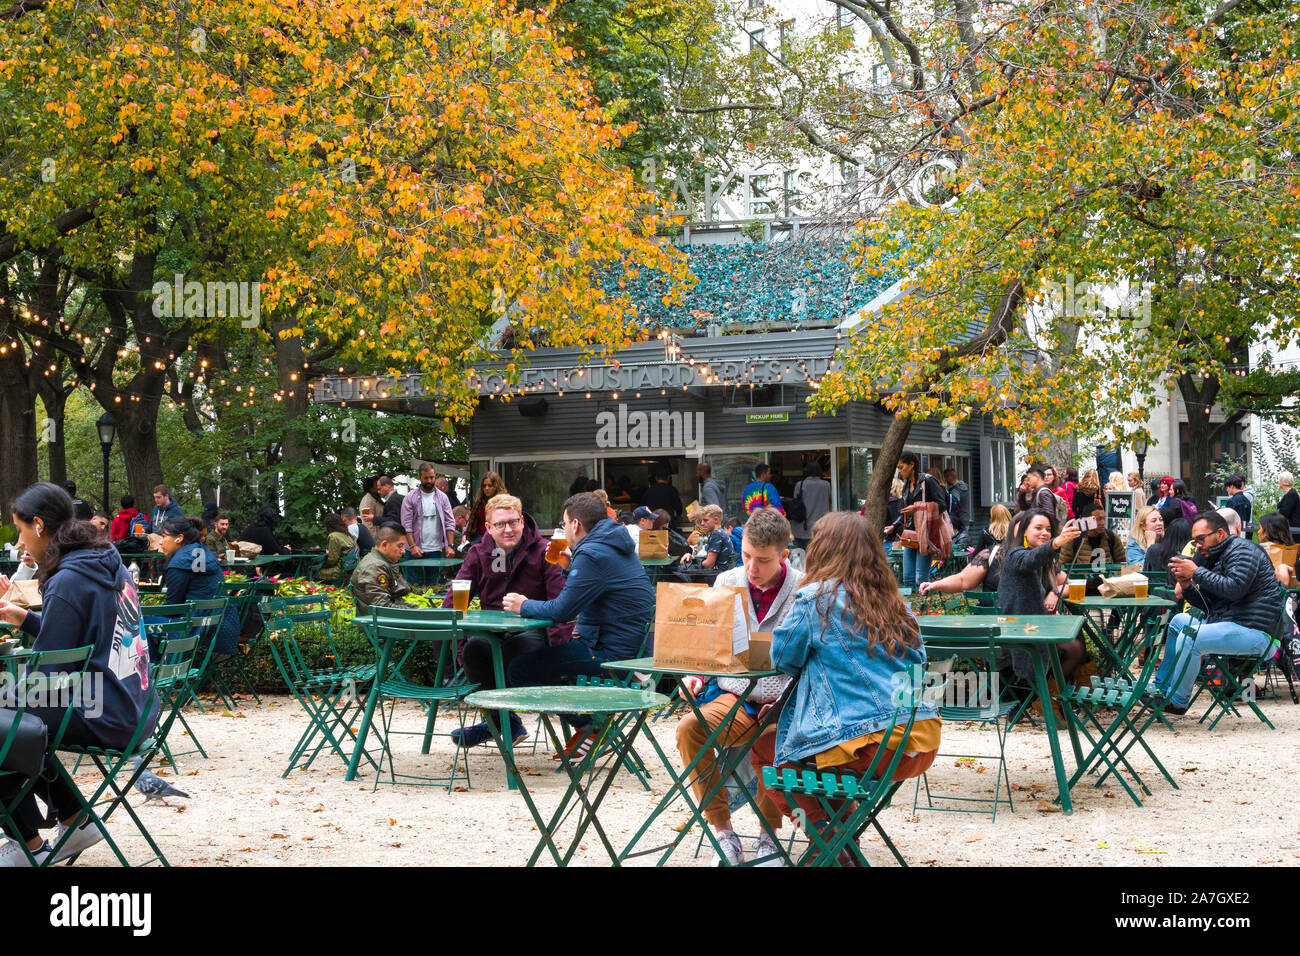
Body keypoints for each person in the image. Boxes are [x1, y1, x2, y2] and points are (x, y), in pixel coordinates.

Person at [761, 512, 941, 862]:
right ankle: (837, 838)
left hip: (873, 747)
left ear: (822, 551)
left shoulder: (817, 599)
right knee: (826, 751)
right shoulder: (896, 602)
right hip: (919, 743)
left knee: (767, 752)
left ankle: (830, 839)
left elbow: (782, 657)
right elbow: (918, 661)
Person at [0, 483, 156, 866]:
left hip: (105, 711)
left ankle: (27, 845)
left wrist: (10, 693)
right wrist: (24, 619)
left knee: (8, 724)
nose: (20, 542)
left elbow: (47, 673)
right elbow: (86, 639)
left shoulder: (68, 579)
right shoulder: (105, 560)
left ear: (38, 525)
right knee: (16, 720)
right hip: (133, 705)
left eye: (21, 529)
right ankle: (75, 819)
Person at [675, 507, 804, 866]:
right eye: (746, 555)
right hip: (734, 696)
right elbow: (707, 646)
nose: (751, 568)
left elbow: (814, 661)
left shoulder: (805, 589)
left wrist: (784, 700)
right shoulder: (725, 581)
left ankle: (767, 838)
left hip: (784, 704)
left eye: (761, 560)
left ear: (783, 555)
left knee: (771, 740)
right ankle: (724, 833)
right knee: (689, 729)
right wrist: (697, 676)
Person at [502, 492, 655, 759]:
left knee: (520, 669)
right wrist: (568, 565)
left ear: (575, 525)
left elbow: (562, 611)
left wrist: (523, 605)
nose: (562, 530)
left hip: (614, 657)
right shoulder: (611, 544)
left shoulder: (593, 553)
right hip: (635, 653)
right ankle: (588, 726)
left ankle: (591, 727)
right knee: (544, 660)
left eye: (563, 524)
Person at [443, 494, 574, 749]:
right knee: (474, 649)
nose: (508, 529)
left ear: (522, 522)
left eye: (513, 522)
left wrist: (558, 648)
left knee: (516, 649)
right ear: (488, 528)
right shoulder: (478, 553)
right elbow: (453, 602)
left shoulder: (546, 551)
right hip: (491, 632)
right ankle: (505, 721)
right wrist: (459, 647)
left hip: (535, 632)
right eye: (500, 524)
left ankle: (496, 723)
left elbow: (562, 604)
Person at [1156, 512, 1281, 715]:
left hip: (1258, 633)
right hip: (1233, 622)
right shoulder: (1215, 555)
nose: (1197, 545)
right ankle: (1161, 687)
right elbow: (1209, 606)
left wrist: (1196, 572)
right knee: (1178, 621)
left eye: (1200, 539)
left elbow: (1234, 589)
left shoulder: (1243, 551)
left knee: (1190, 637)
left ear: (1220, 534)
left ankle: (1178, 701)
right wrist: (1187, 586)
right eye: (1194, 540)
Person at [998, 508, 1088, 680]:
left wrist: (1054, 594)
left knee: (1077, 633)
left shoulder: (1041, 560)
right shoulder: (1014, 555)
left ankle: (1065, 692)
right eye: (1038, 528)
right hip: (1016, 633)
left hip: (1032, 628)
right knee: (1074, 648)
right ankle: (1045, 698)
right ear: (1024, 531)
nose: (1045, 533)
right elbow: (1029, 560)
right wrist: (1057, 542)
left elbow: (1040, 562)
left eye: (1048, 529)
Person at [156, 515, 240, 657]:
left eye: (164, 536)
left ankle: (155, 671)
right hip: (219, 622)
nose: (160, 542)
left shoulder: (179, 563)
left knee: (140, 623)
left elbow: (173, 606)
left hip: (194, 624)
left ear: (180, 538)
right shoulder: (204, 552)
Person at [882, 451, 948, 588]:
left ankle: (925, 606)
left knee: (920, 579)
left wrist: (918, 508)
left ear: (912, 465)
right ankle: (911, 608)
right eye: (898, 468)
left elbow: (942, 505)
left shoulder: (928, 480)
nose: (899, 471)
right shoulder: (907, 484)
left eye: (901, 467)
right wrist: (893, 526)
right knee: (907, 579)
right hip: (910, 535)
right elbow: (906, 510)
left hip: (926, 534)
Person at [401, 462, 456, 566]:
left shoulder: (443, 497)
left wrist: (450, 545)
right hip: (414, 550)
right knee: (413, 582)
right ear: (419, 477)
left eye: (432, 477)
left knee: (434, 582)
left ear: (435, 476)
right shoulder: (409, 497)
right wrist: (412, 546)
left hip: (436, 549)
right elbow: (406, 525)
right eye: (426, 478)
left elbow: (450, 522)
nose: (429, 481)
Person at [351, 525, 412, 616]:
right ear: (384, 545)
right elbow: (383, 608)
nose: (403, 551)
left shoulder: (383, 561)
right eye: (400, 546)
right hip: (381, 625)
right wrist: (416, 612)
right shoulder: (374, 567)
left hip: (388, 620)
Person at [676, 504, 734, 579]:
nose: (702, 523)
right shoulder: (721, 533)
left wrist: (693, 561)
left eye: (705, 520)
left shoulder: (716, 534)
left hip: (715, 576)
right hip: (719, 573)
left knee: (678, 571)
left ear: (716, 520)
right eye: (702, 520)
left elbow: (708, 564)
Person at [1143, 504, 1192, 588]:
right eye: (1154, 520)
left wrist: (1150, 545)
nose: (1159, 523)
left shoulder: (1155, 549)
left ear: (1168, 532)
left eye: (1161, 520)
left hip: (1155, 594)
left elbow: (1145, 574)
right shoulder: (1191, 553)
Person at [1059, 505, 1125, 566]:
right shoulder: (1073, 538)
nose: (1102, 522)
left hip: (1107, 578)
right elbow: (1064, 566)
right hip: (1081, 578)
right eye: (1098, 519)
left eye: (1104, 518)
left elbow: (1121, 564)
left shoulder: (1112, 536)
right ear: (1087, 520)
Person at [790, 463, 832, 549]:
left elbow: (796, 503)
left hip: (802, 528)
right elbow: (830, 500)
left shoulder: (800, 484)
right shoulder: (826, 485)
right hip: (821, 527)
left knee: (802, 557)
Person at [1256, 512, 1296, 586]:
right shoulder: (1294, 550)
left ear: (1267, 531)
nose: (1258, 532)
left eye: (1260, 528)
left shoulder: (1259, 550)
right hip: (1292, 593)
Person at [319, 513, 359, 584]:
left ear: (328, 525)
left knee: (315, 570)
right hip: (350, 568)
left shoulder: (333, 536)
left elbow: (333, 559)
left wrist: (322, 563)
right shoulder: (347, 534)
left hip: (340, 570)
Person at [466, 472, 507, 542]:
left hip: (497, 540)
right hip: (478, 539)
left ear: (496, 486)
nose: (487, 488)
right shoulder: (479, 503)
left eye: (490, 485)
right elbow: (471, 522)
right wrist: (465, 534)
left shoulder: (504, 503)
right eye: (484, 486)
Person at [943, 467, 971, 535]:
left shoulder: (955, 490)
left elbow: (954, 506)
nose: (945, 480)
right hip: (966, 520)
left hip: (958, 524)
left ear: (949, 477)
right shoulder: (965, 487)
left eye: (945, 478)